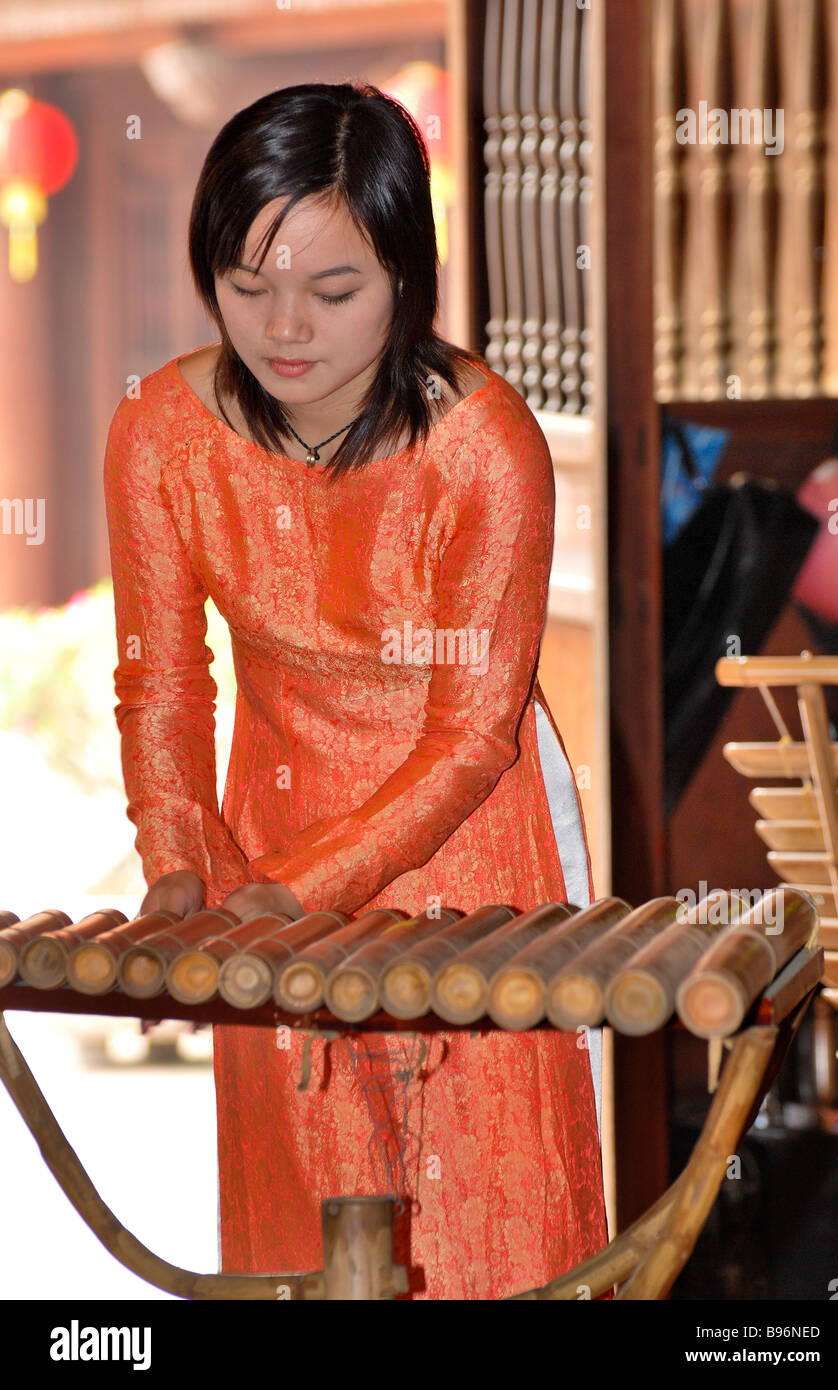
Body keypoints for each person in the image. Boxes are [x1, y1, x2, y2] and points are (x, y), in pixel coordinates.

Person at [103, 80, 606, 1299]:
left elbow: (476, 735)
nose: (285, 329)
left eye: (334, 291)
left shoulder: (484, 449)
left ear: (406, 279)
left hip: (472, 847)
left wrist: (297, 891)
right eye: (246, 285)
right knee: (305, 1232)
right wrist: (181, 861)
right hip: (262, 832)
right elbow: (163, 682)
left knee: (495, 1230)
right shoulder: (162, 435)